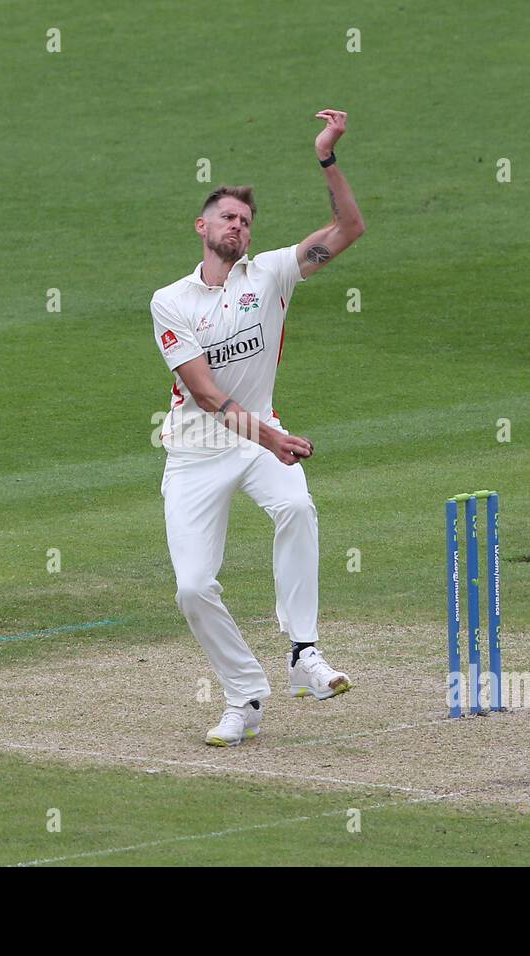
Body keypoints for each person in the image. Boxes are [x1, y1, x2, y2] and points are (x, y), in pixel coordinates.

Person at [151, 110, 366, 746]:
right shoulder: (170, 301)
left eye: (245, 221)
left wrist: (326, 157)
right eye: (227, 217)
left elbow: (349, 228)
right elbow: (207, 393)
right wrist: (272, 439)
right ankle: (243, 694)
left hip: (261, 433)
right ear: (203, 226)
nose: (238, 227)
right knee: (193, 587)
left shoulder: (271, 272)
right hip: (196, 449)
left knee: (296, 508)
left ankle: (304, 653)